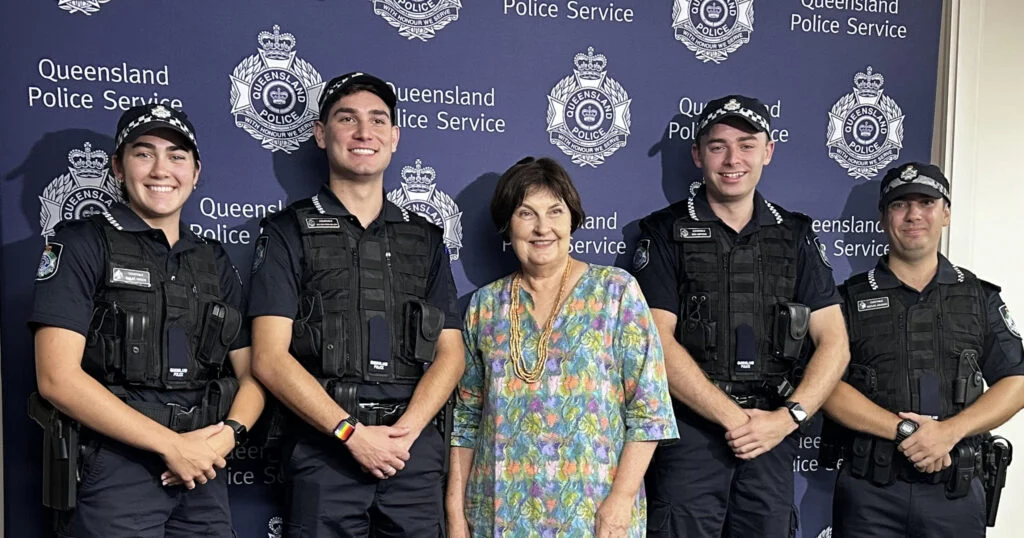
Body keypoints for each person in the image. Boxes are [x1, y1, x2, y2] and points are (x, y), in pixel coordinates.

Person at [29, 103, 265, 537]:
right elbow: (56, 378)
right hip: (118, 464)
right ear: (118, 167)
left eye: (177, 156)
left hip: (203, 466)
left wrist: (226, 437)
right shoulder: (81, 244)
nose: (161, 169)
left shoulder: (213, 259)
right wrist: (170, 446)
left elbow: (254, 373)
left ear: (195, 173)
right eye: (144, 153)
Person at [248, 72, 465, 537]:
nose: (364, 133)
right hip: (324, 451)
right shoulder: (287, 231)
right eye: (347, 119)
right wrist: (351, 434)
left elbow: (451, 352)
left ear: (394, 136)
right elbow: (268, 357)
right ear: (322, 134)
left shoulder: (425, 237)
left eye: (378, 120)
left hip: (411, 453)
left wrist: (405, 433)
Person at [630, 95, 850, 537]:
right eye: (717, 146)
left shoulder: (796, 235)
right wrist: (734, 418)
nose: (733, 159)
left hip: (772, 434)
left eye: (747, 144)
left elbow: (835, 343)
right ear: (697, 155)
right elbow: (656, 342)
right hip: (690, 435)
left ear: (768, 151)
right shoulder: (663, 232)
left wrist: (787, 419)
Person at [447, 156, 679, 538]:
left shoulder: (615, 292)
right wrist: (457, 516)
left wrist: (621, 501)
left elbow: (649, 410)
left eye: (555, 211)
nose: (543, 228)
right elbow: (466, 421)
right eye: (526, 213)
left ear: (572, 219)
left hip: (594, 514)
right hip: (498, 515)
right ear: (508, 226)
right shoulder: (485, 306)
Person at [822, 162, 1024, 537]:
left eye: (927, 202)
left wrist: (948, 432)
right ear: (883, 217)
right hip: (870, 494)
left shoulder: (979, 297)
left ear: (945, 213)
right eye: (900, 205)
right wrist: (904, 430)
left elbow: (1016, 381)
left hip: (954, 492)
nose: (914, 214)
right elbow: (825, 386)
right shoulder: (846, 300)